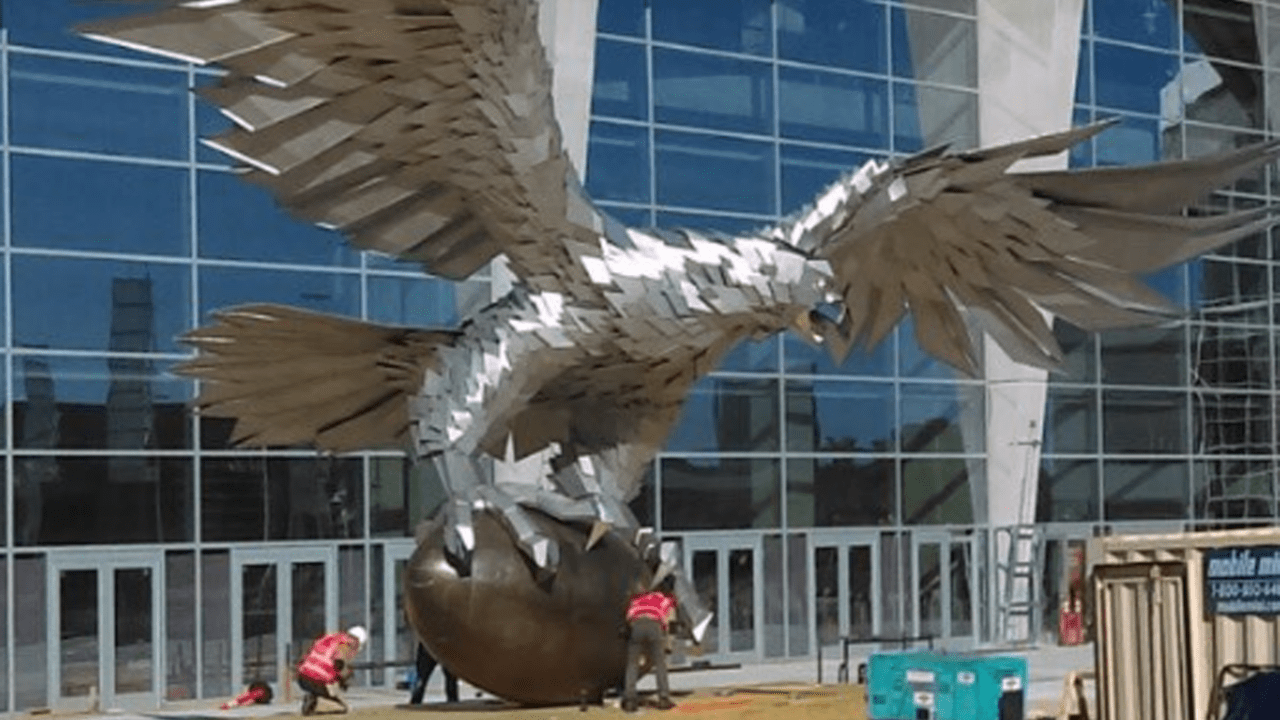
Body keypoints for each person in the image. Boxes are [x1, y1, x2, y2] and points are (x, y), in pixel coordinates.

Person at [622, 579, 677, 712]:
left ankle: (630, 700)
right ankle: (663, 698)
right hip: (654, 626)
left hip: (637, 625)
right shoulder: (662, 598)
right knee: (660, 663)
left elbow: (628, 618)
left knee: (633, 664)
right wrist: (668, 643)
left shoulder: (637, 600)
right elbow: (669, 621)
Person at [296, 625, 367, 715]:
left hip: (302, 677)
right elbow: (339, 662)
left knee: (325, 693)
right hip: (317, 679)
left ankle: (313, 699)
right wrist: (341, 679)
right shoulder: (347, 643)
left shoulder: (330, 638)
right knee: (342, 708)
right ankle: (318, 702)